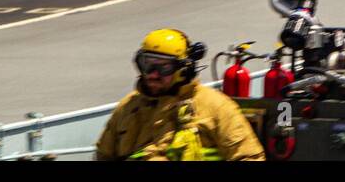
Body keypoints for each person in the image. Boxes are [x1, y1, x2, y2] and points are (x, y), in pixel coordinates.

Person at [96, 28, 265, 161]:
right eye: (147, 65)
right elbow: (103, 155)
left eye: (164, 68)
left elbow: (249, 157)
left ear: (183, 69)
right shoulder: (129, 106)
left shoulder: (216, 107)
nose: (153, 74)